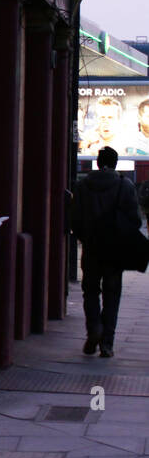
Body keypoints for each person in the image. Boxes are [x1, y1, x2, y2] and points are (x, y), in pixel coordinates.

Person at [70, 146, 141, 357]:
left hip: (91, 249)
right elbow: (135, 220)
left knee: (90, 291)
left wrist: (85, 237)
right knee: (112, 294)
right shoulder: (124, 186)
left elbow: (74, 219)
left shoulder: (82, 186)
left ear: (98, 163)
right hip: (114, 251)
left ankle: (94, 329)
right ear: (116, 163)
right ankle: (107, 343)